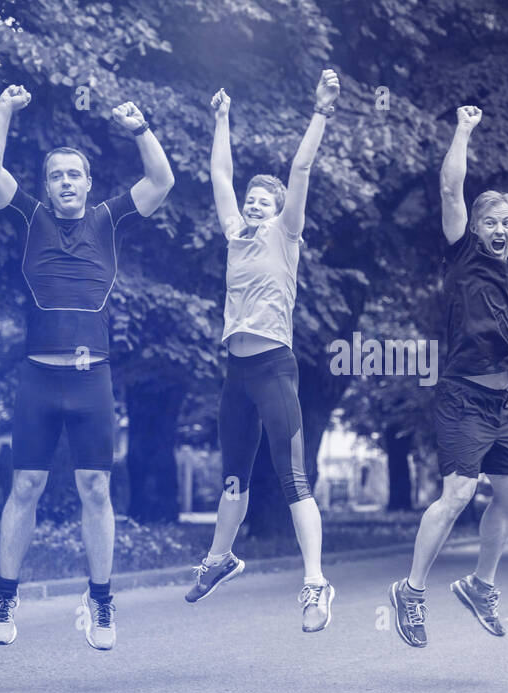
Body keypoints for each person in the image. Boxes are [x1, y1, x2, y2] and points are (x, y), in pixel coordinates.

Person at [0, 84, 174, 649]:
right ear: (47, 185)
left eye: (75, 174)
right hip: (39, 379)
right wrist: (5, 109)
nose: (66, 181)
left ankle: (102, 603)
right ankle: (5, 599)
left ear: (88, 183)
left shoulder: (109, 219)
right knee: (27, 486)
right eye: (57, 174)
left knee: (94, 489)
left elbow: (162, 183)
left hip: (93, 381)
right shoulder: (31, 216)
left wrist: (140, 129)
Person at [184, 70, 340, 633]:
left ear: (278, 211)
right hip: (236, 373)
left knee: (291, 475)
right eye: (250, 200)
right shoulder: (234, 234)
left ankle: (316, 584)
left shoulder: (285, 234)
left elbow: (300, 170)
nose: (253, 205)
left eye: (263, 202)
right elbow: (219, 173)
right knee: (233, 477)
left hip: (274, 367)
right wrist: (221, 120)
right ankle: (219, 559)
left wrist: (320, 111)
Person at [388, 105, 508, 648]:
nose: (502, 230)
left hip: (500, 402)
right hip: (461, 393)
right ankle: (411, 590)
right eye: (492, 224)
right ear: (475, 229)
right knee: (458, 493)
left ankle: (481, 585)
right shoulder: (463, 254)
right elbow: (451, 188)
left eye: (505, 224)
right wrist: (463, 129)